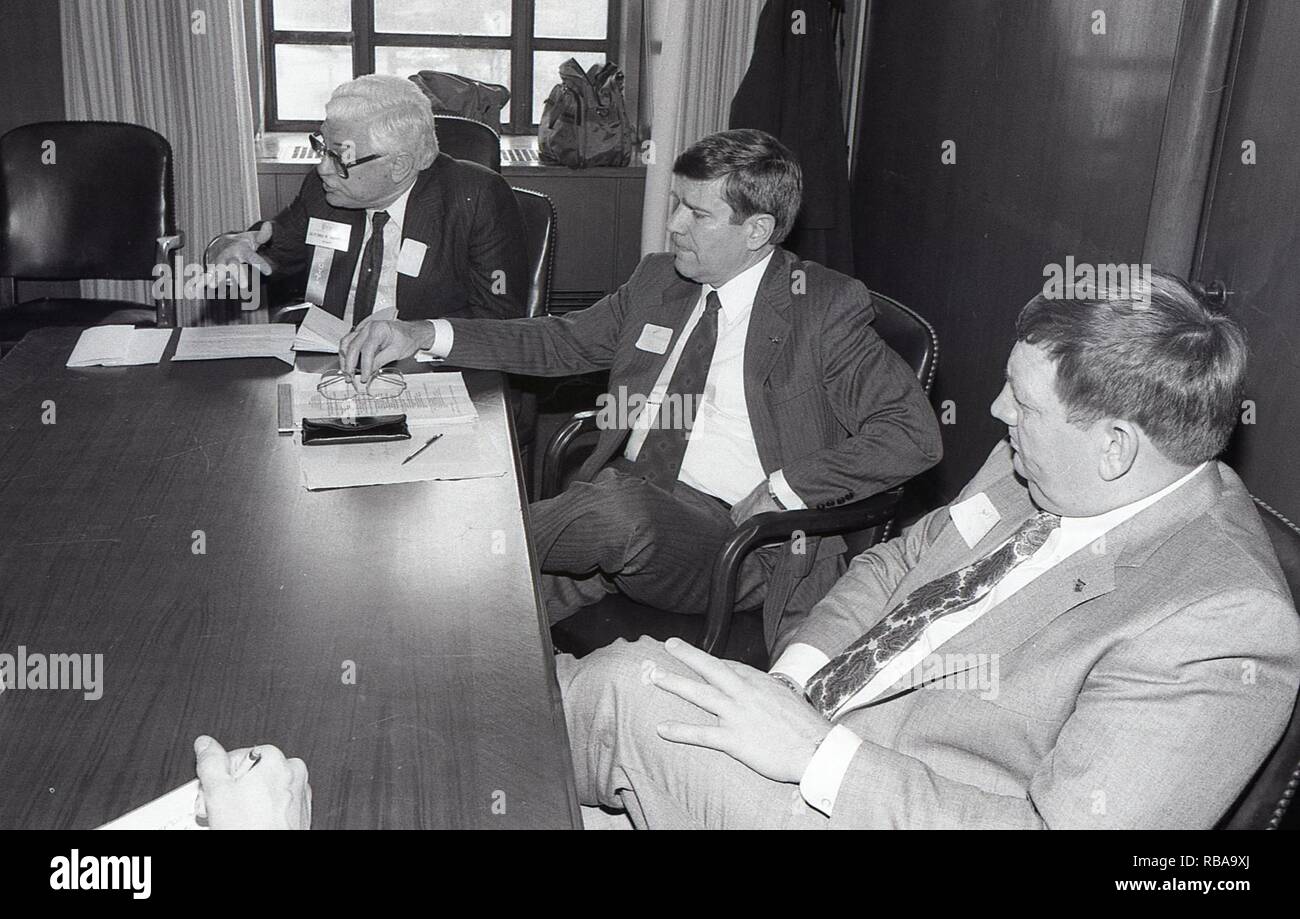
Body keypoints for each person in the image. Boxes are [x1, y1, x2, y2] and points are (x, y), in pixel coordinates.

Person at [195, 271, 1300, 830]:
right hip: (823, 717)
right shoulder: (1040, 469)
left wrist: (815, 756)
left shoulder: (1221, 620)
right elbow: (893, 568)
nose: (996, 427)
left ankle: (348, 784)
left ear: (1115, 446)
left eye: (1021, 409)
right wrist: (796, 674)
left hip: (873, 803)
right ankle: (396, 756)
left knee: (620, 689)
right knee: (562, 683)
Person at [339, 129, 943, 638]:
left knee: (613, 511)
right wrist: (425, 334)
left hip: (740, 538)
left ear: (757, 231)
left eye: (696, 213)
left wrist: (789, 487)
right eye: (675, 202)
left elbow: (913, 434)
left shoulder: (823, 308)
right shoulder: (663, 280)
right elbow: (563, 341)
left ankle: (445, 544)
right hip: (622, 510)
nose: (673, 225)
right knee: (469, 620)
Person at [214, 75, 527, 325]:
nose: (322, 168)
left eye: (340, 157)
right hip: (327, 364)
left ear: (399, 165)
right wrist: (227, 248)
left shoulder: (477, 198)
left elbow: (500, 316)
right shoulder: (324, 192)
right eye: (323, 147)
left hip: (426, 370)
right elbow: (271, 253)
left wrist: (419, 335)